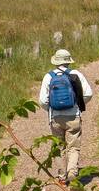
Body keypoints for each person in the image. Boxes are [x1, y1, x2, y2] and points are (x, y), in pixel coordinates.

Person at [38, 47, 93, 182]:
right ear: (69, 61)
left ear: (56, 61)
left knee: (59, 147)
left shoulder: (48, 76)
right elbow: (88, 93)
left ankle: (62, 176)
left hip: (55, 117)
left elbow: (42, 101)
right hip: (73, 115)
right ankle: (72, 172)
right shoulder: (75, 74)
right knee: (73, 147)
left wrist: (52, 109)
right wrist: (77, 104)